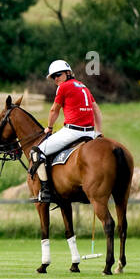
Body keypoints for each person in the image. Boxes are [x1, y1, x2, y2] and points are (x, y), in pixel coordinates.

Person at [29, 59, 103, 205]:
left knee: (36, 152)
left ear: (68, 73)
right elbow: (97, 111)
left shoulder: (63, 87)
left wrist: (49, 128)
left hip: (73, 132)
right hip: (89, 133)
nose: (56, 78)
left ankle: (45, 191)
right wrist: (98, 132)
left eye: (58, 74)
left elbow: (54, 110)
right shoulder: (83, 86)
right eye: (53, 77)